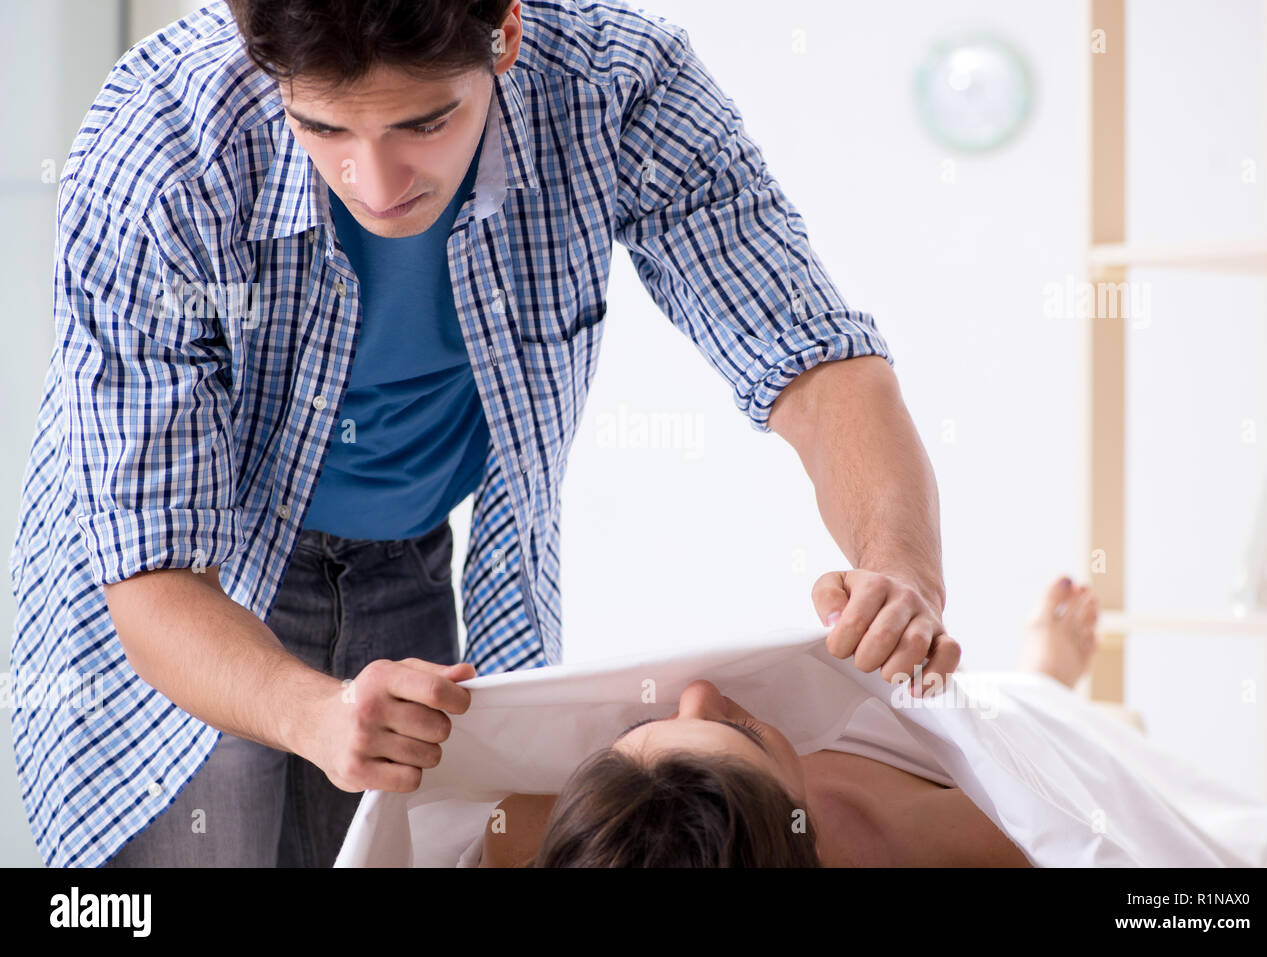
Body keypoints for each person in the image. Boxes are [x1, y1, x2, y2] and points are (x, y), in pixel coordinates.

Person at [10, 0, 957, 868]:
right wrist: (311, 709)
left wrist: (901, 565)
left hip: (405, 561)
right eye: (324, 128)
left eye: (425, 123)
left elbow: (816, 364)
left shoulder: (620, 87)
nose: (373, 186)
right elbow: (154, 567)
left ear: (504, 35)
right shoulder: (158, 146)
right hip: (184, 592)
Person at [478, 575, 1121, 866]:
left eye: (634, 733)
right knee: (1027, 724)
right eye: (742, 731)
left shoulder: (523, 836)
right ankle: (1044, 684)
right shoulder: (962, 838)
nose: (699, 690)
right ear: (796, 820)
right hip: (1004, 763)